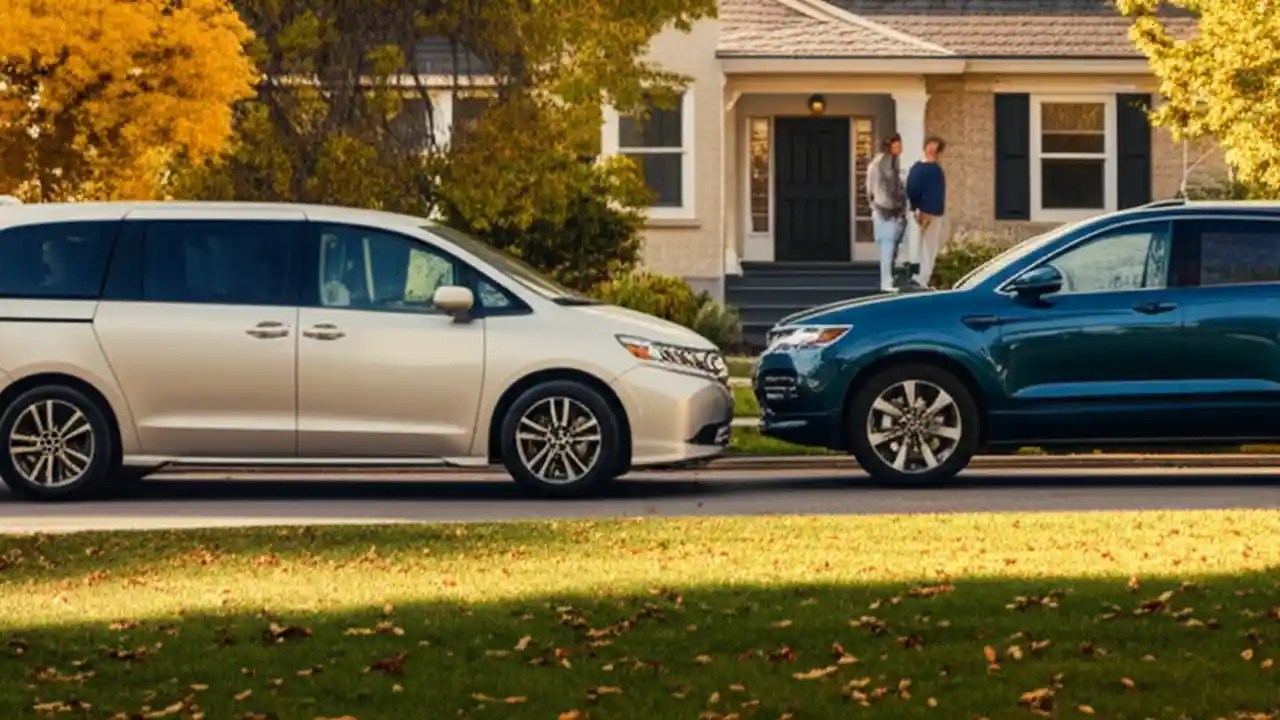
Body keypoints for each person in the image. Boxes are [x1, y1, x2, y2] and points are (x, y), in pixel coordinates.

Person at [865, 133, 906, 292]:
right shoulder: (882, 165)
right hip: (886, 211)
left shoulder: (888, 163)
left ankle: (889, 278)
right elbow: (879, 190)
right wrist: (885, 207)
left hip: (889, 211)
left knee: (891, 246)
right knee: (888, 246)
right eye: (897, 146)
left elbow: (869, 191)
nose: (900, 149)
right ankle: (886, 282)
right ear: (890, 146)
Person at [905, 136, 948, 288]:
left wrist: (925, 210)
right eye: (931, 147)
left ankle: (921, 277)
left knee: (927, 246)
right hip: (924, 212)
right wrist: (921, 209)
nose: (932, 151)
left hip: (930, 212)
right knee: (923, 245)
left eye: (935, 149)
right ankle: (919, 278)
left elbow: (937, 193)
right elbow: (912, 189)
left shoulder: (934, 169)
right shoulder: (923, 169)